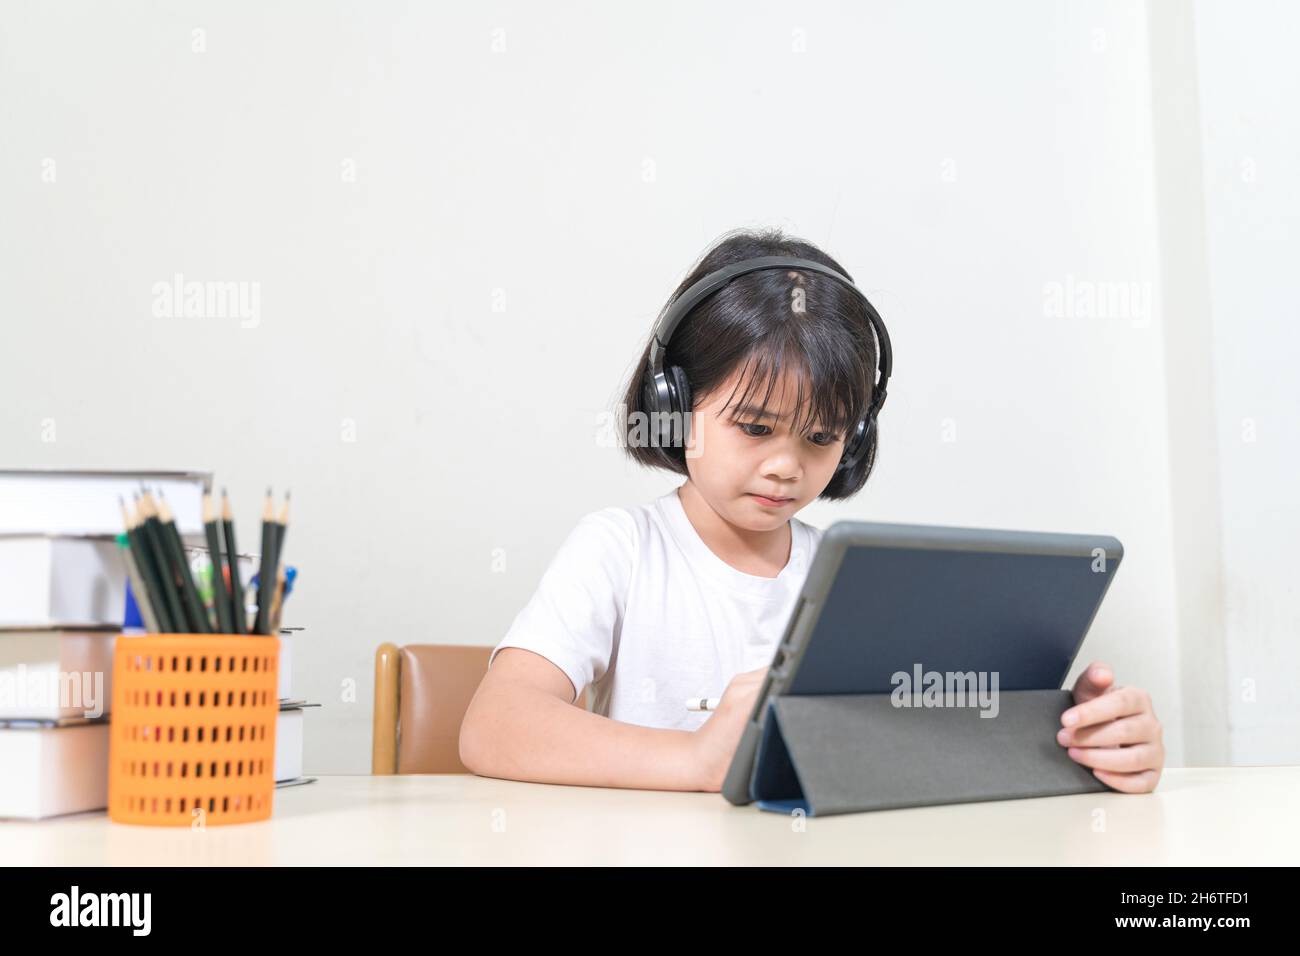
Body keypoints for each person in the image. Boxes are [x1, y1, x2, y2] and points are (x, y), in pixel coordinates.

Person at [459, 227, 1164, 794]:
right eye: (756, 428)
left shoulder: (849, 577)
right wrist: (697, 760)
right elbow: (495, 725)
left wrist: (1084, 742)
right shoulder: (620, 548)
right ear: (675, 409)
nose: (786, 466)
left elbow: (923, 747)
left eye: (822, 437)